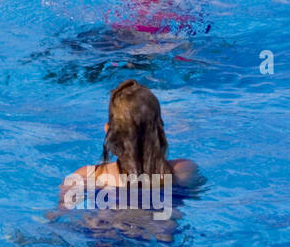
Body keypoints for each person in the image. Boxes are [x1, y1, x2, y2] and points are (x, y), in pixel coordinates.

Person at [59, 79, 198, 235]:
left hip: (103, 232)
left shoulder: (87, 176)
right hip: (157, 234)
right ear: (159, 128)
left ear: (108, 130)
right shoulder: (183, 171)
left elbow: (59, 214)